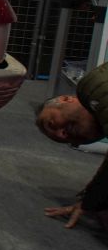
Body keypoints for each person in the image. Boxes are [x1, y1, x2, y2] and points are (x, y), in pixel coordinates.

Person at [34, 64, 108, 229]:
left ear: (66, 99)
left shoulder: (92, 87)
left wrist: (92, 201)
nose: (61, 134)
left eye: (52, 123)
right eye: (65, 141)